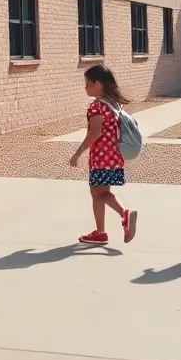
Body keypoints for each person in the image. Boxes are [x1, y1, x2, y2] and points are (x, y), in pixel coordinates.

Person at [69, 64, 138, 245]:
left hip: (101, 155)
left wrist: (78, 153)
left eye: (87, 83)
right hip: (115, 154)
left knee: (98, 193)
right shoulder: (114, 104)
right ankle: (101, 232)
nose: (85, 87)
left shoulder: (97, 106)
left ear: (97, 84)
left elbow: (95, 133)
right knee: (100, 193)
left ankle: (124, 215)